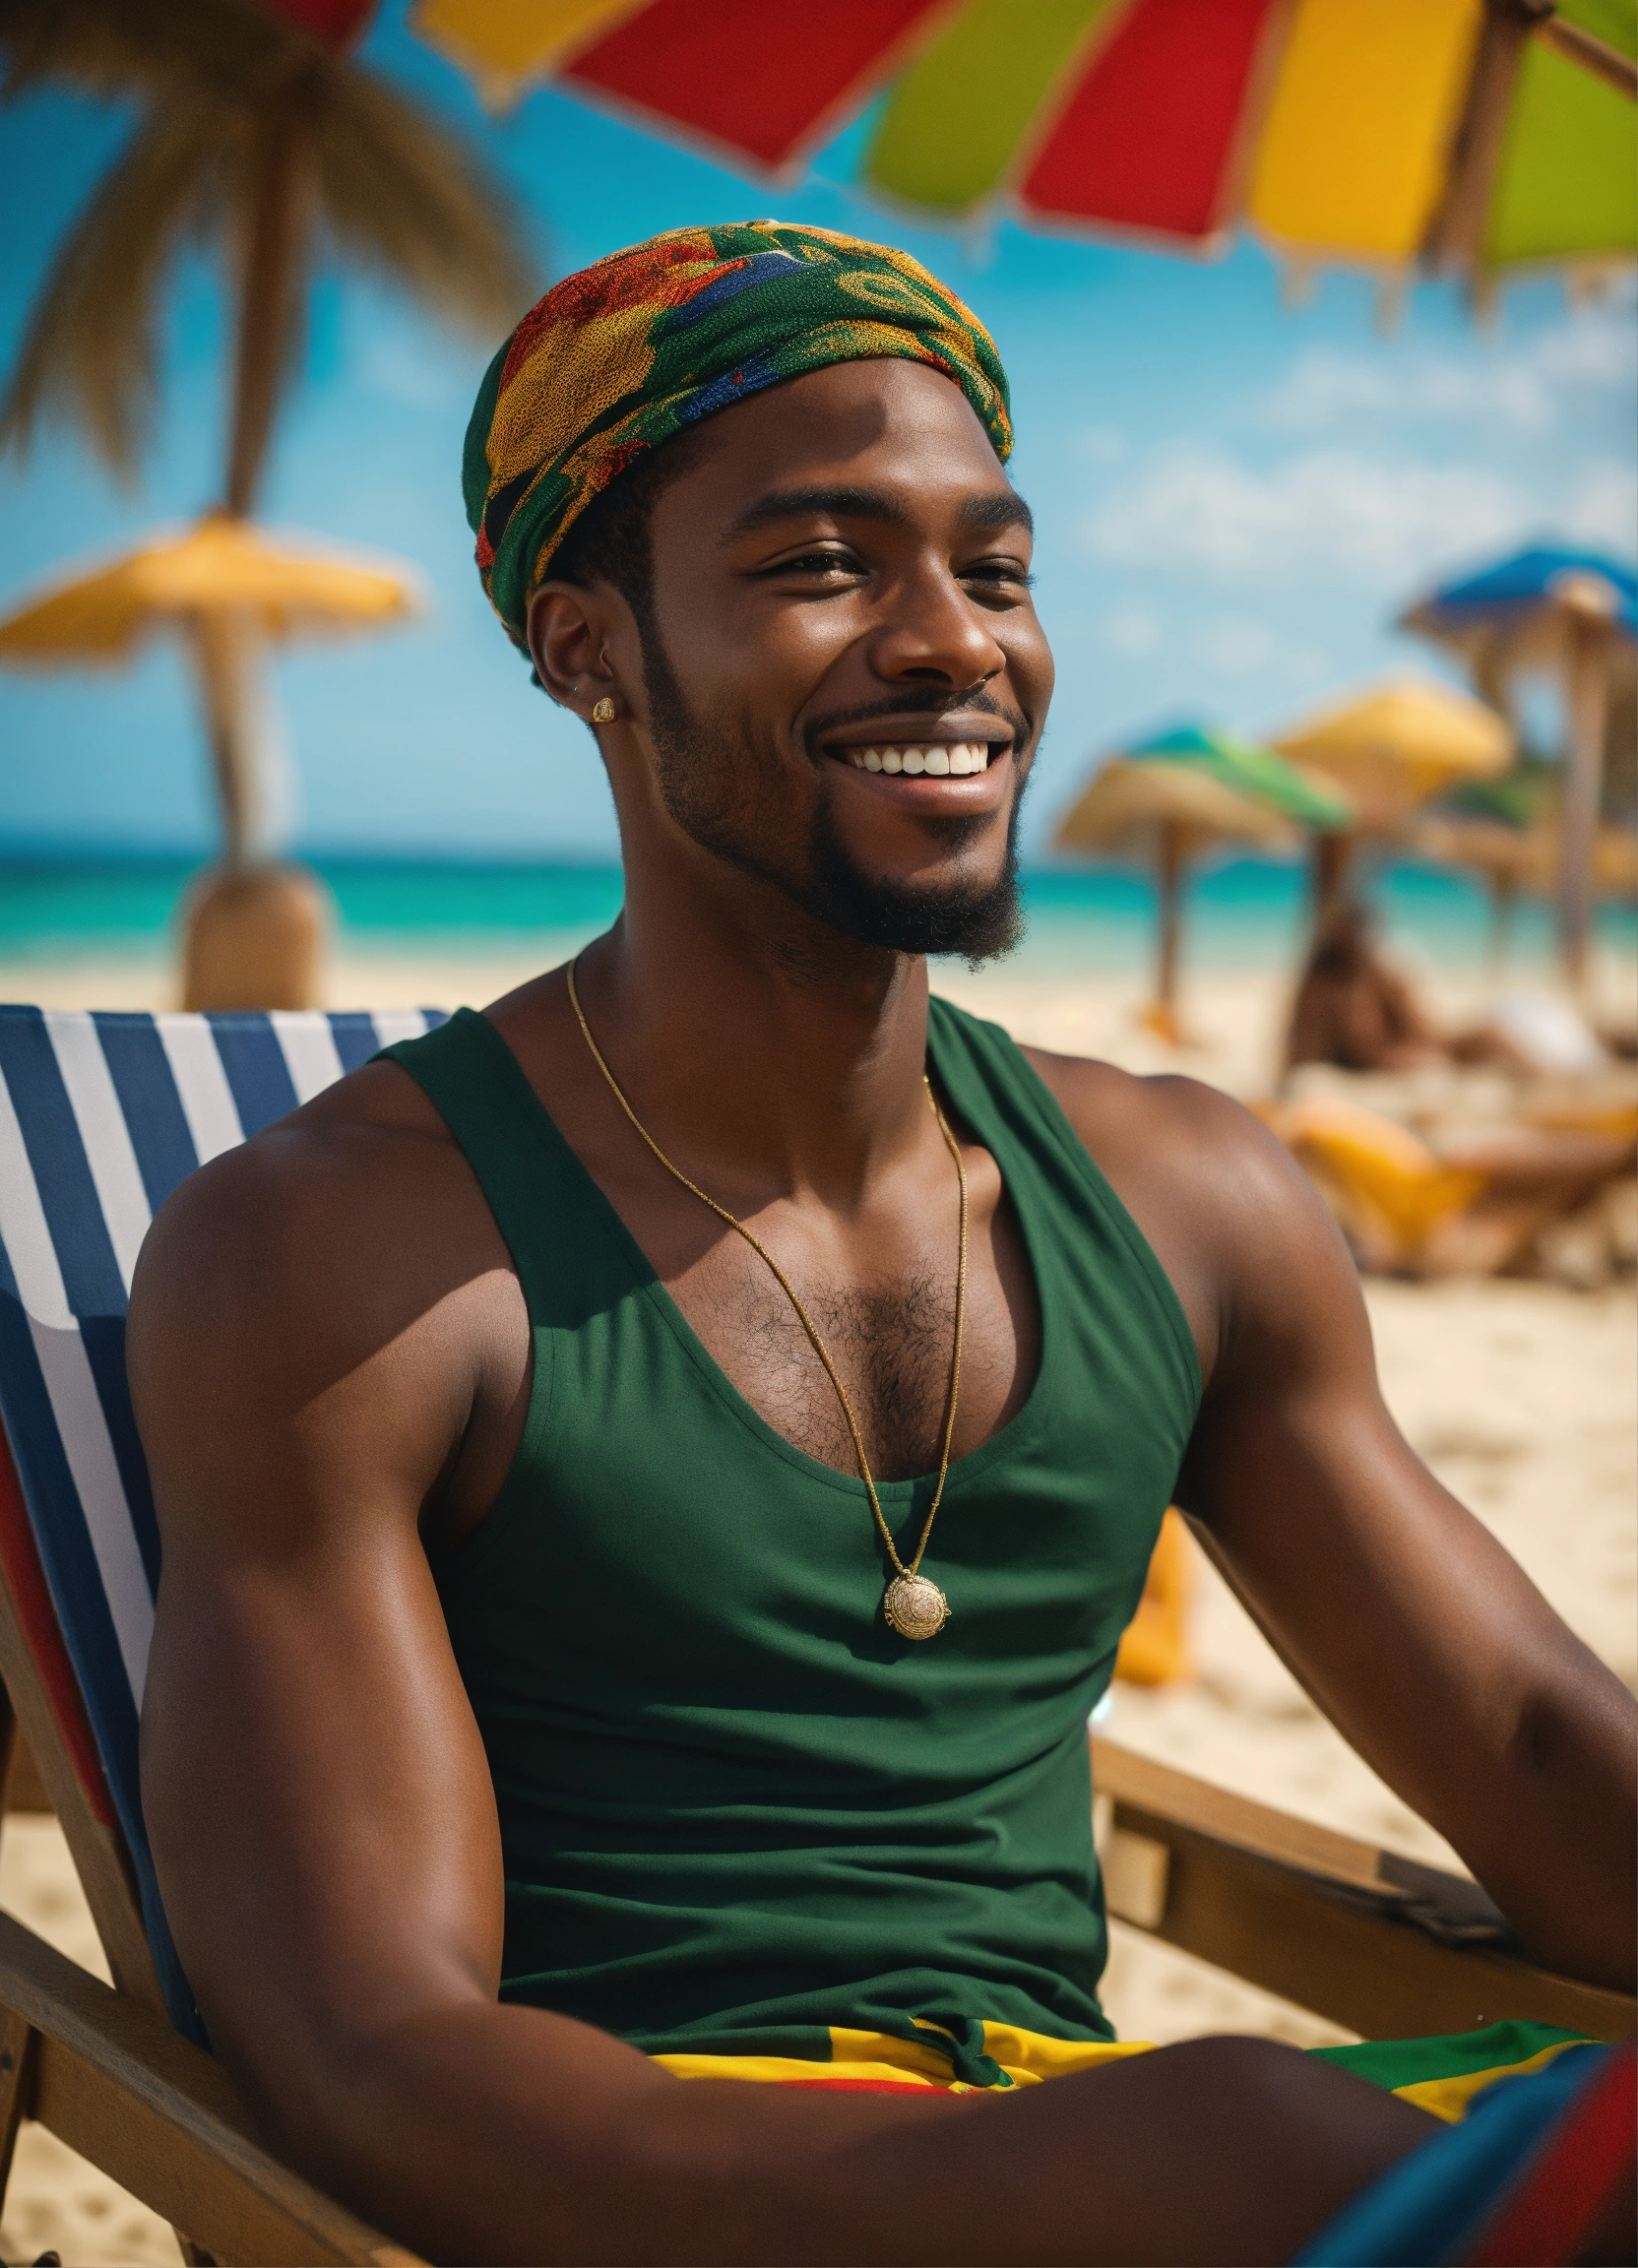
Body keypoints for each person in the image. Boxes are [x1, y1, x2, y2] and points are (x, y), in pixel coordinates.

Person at [127, 224, 1636, 2265]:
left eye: (993, 570)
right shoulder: (339, 1253)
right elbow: (369, 2050)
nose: (954, 645)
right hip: (675, 2180)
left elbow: (1540, 1752)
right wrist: (1051, 2186)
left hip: (1108, 2152)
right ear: (585, 648)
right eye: (823, 566)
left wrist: (1129, 2167)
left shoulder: (1193, 1199)